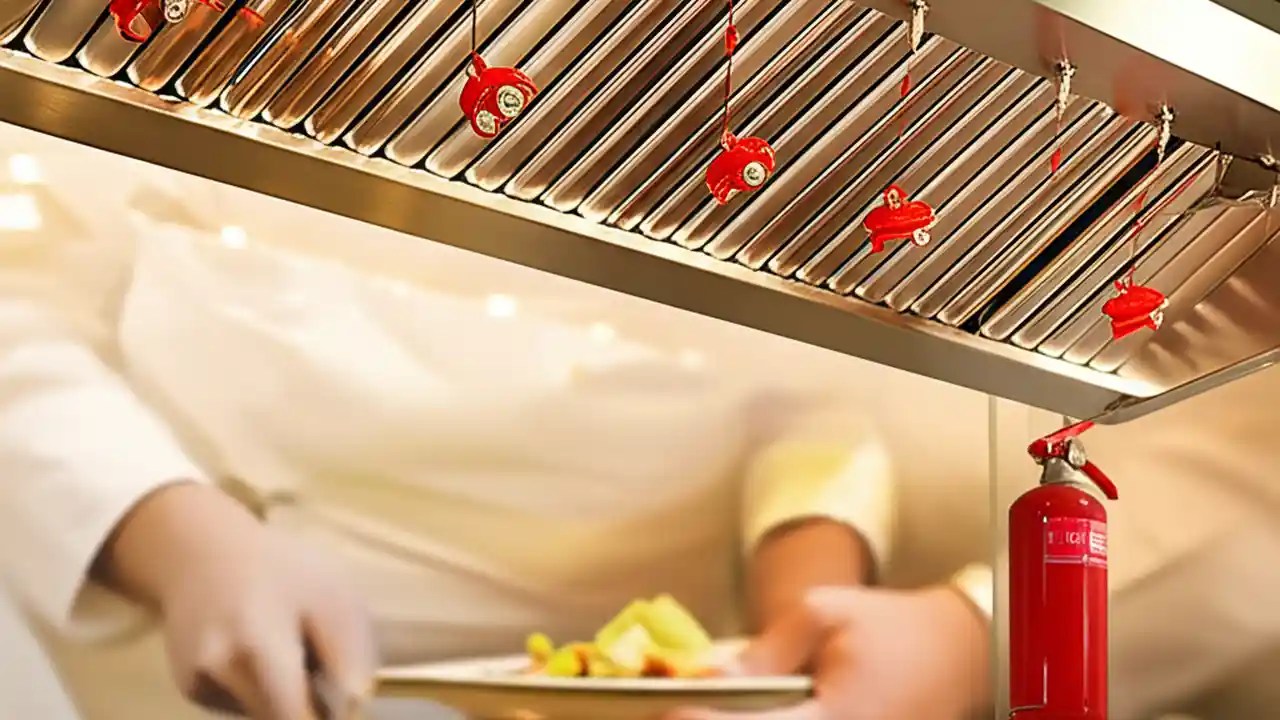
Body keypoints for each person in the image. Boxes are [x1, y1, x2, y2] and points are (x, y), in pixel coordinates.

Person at [0, 153, 994, 720]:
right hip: (131, 646)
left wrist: (807, 618)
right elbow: (25, 271)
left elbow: (819, 381)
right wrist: (167, 531)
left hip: (636, 694)